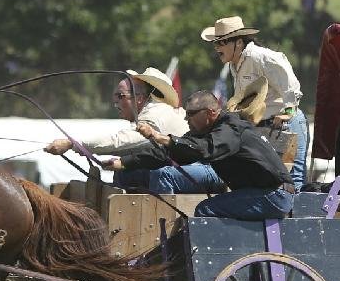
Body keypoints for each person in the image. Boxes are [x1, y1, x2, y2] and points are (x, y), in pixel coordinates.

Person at [105, 90, 294, 220]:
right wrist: (123, 162)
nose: (186, 119)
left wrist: (160, 137)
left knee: (206, 209)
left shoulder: (230, 128)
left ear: (210, 112)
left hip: (274, 195)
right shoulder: (204, 132)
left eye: (191, 114)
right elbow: (167, 153)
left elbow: (206, 148)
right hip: (260, 193)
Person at [44, 68, 202, 191]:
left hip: (189, 175)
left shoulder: (154, 114)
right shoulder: (157, 111)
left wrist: (72, 144)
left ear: (139, 98)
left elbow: (121, 141)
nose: (115, 102)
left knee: (127, 172)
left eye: (120, 96)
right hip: (184, 173)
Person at [201, 16, 309, 191]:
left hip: (287, 123)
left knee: (293, 179)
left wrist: (288, 111)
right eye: (216, 43)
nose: (217, 47)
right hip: (267, 126)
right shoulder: (234, 65)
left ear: (238, 42)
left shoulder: (261, 57)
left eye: (221, 42)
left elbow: (290, 84)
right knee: (274, 181)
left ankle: (300, 218)